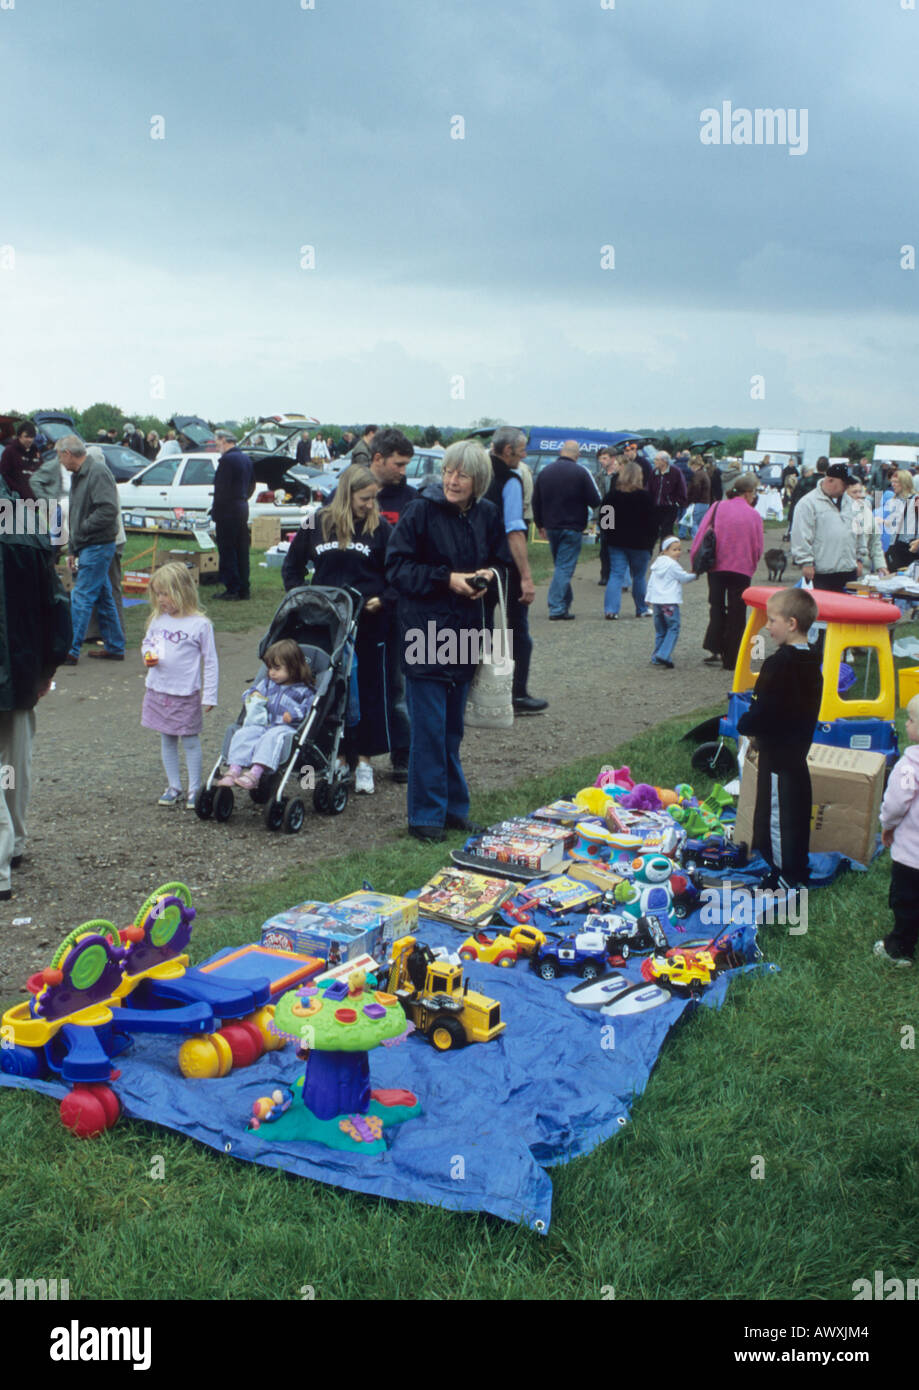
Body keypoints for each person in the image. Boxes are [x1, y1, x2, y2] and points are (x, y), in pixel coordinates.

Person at [386, 440, 511, 842]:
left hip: (467, 632)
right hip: (426, 631)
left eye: (463, 474)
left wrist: (489, 576)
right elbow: (397, 568)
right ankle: (424, 816)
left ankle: (454, 810)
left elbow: (500, 561)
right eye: (448, 472)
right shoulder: (419, 511)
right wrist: (447, 579)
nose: (453, 480)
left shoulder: (488, 514)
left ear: (480, 479)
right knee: (429, 729)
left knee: (452, 730)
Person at [283, 465, 391, 794]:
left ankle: (365, 762)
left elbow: (396, 573)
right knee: (329, 690)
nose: (370, 505)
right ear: (346, 494)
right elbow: (292, 566)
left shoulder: (381, 529)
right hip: (325, 623)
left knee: (367, 691)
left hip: (367, 621)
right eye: (364, 498)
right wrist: (302, 597)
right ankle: (337, 757)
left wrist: (382, 599)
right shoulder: (316, 521)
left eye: (374, 498)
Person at [0, 483, 72, 899]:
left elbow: (54, 601)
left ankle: (9, 851)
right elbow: (55, 602)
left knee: (12, 761)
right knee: (13, 761)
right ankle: (15, 842)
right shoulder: (27, 520)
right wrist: (48, 664)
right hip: (24, 667)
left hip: (22, 665)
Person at [736, 587, 821, 891]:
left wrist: (745, 724)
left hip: (778, 754)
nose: (768, 626)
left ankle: (786, 874)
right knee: (796, 811)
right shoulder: (812, 660)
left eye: (773, 620)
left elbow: (765, 709)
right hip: (797, 751)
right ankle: (794, 863)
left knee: (777, 817)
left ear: (792, 623)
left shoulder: (778, 664)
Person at [141, 562, 218, 808]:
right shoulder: (158, 620)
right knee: (167, 738)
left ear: (182, 591)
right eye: (158, 594)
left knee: (190, 740)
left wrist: (210, 695)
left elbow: (211, 662)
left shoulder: (200, 625)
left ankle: (195, 788)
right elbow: (148, 643)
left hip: (185, 692)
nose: (161, 600)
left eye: (165, 594)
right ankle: (174, 785)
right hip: (159, 687)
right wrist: (148, 655)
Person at [484, 426, 546, 714]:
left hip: (471, 561)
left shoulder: (475, 472)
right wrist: (527, 576)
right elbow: (515, 531)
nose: (524, 456)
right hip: (503, 565)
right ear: (508, 451)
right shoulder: (510, 479)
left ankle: (471, 692)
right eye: (522, 451)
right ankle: (517, 694)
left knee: (478, 629)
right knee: (517, 630)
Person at [367, 428, 415, 782]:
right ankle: (353, 755)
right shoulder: (352, 493)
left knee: (398, 685)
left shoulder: (412, 500)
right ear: (377, 458)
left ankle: (403, 755)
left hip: (399, 607)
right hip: (362, 606)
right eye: (397, 464)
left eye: (406, 464)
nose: (403, 470)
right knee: (361, 683)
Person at [57, 435, 126, 665]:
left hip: (97, 544)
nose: (60, 461)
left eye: (59, 455)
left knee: (82, 596)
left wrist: (83, 531)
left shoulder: (97, 472)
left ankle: (70, 650)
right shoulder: (81, 475)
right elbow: (78, 513)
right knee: (103, 597)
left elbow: (108, 510)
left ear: (68, 453)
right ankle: (115, 647)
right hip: (89, 544)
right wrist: (73, 549)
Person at [217, 639, 314, 793]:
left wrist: (294, 714)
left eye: (277, 668)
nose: (271, 673)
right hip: (265, 724)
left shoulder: (304, 691)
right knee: (244, 733)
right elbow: (249, 695)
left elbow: (309, 709)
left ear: (294, 667)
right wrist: (252, 694)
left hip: (286, 728)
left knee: (272, 737)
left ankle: (255, 773)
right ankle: (234, 769)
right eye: (269, 668)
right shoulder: (268, 684)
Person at [690, 473, 764, 669]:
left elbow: (701, 534)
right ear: (748, 493)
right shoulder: (754, 515)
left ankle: (715, 646)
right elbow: (758, 547)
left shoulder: (717, 507)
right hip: (742, 569)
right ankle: (731, 658)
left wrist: (694, 561)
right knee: (737, 612)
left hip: (716, 566)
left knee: (716, 607)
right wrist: (752, 564)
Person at [532, 439, 602, 620]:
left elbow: (536, 501)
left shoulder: (545, 472)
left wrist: (540, 524)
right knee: (564, 567)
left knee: (561, 566)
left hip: (551, 526)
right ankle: (556, 607)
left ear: (561, 453)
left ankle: (564, 604)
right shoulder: (581, 472)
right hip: (572, 526)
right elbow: (595, 500)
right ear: (577, 455)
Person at [876, 694, 919, 966]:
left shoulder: (908, 768)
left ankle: (899, 949)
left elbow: (894, 805)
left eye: (911, 719)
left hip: (911, 857)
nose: (906, 723)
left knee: (906, 902)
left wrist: (887, 826)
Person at [790, 461, 866, 593]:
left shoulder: (851, 504)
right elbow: (801, 535)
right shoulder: (808, 504)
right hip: (821, 573)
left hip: (849, 571)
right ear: (830, 480)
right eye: (844, 484)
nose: (846, 487)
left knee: (847, 612)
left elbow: (859, 532)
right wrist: (806, 562)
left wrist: (860, 558)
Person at [601, 461, 655, 619]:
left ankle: (611, 610)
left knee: (616, 575)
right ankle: (642, 608)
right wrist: (650, 543)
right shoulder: (646, 497)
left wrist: (609, 537)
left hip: (616, 543)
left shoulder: (611, 496)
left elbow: (605, 522)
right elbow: (652, 524)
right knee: (639, 576)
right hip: (640, 544)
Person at [211, 429, 254, 601]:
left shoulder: (227, 460)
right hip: (242, 506)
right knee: (242, 549)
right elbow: (251, 484)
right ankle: (244, 587)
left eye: (217, 442)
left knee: (227, 549)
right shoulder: (246, 458)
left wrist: (216, 511)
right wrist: (242, 498)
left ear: (223, 440)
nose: (216, 446)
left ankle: (232, 588)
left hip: (228, 509)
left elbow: (220, 490)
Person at [645, 536, 697, 668]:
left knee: (660, 629)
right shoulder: (673, 565)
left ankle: (656, 655)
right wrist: (695, 574)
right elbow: (683, 578)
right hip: (669, 602)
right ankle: (664, 654)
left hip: (657, 601)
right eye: (674, 549)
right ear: (665, 551)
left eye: (679, 549)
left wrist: (648, 598)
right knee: (673, 627)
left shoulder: (657, 564)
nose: (678, 552)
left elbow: (651, 583)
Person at [648, 451, 687, 552]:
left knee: (666, 531)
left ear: (664, 461)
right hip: (656, 507)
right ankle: (648, 552)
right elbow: (649, 488)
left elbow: (682, 488)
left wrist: (677, 503)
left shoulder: (675, 472)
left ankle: (663, 553)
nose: (654, 461)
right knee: (652, 531)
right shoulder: (654, 472)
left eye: (656, 460)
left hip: (670, 507)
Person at [596, 448, 619, 585]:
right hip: (606, 511)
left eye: (605, 458)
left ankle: (617, 573)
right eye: (601, 458)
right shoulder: (600, 475)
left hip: (618, 511)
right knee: (605, 544)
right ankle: (605, 574)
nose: (602, 461)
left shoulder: (619, 474)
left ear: (612, 458)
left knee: (616, 544)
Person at [0, 422, 39, 501]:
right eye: (26, 436)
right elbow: (4, 475)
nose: (29, 439)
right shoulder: (9, 451)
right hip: (16, 498)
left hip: (35, 497)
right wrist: (19, 491)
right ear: (19, 436)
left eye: (32, 437)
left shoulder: (35, 451)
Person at [686, 455, 711, 536]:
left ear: (694, 465)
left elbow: (696, 488)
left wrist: (692, 500)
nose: (690, 468)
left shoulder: (698, 475)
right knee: (700, 524)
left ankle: (697, 544)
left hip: (699, 502)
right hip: (705, 502)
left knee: (693, 522)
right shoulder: (704, 473)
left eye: (691, 466)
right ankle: (701, 544)